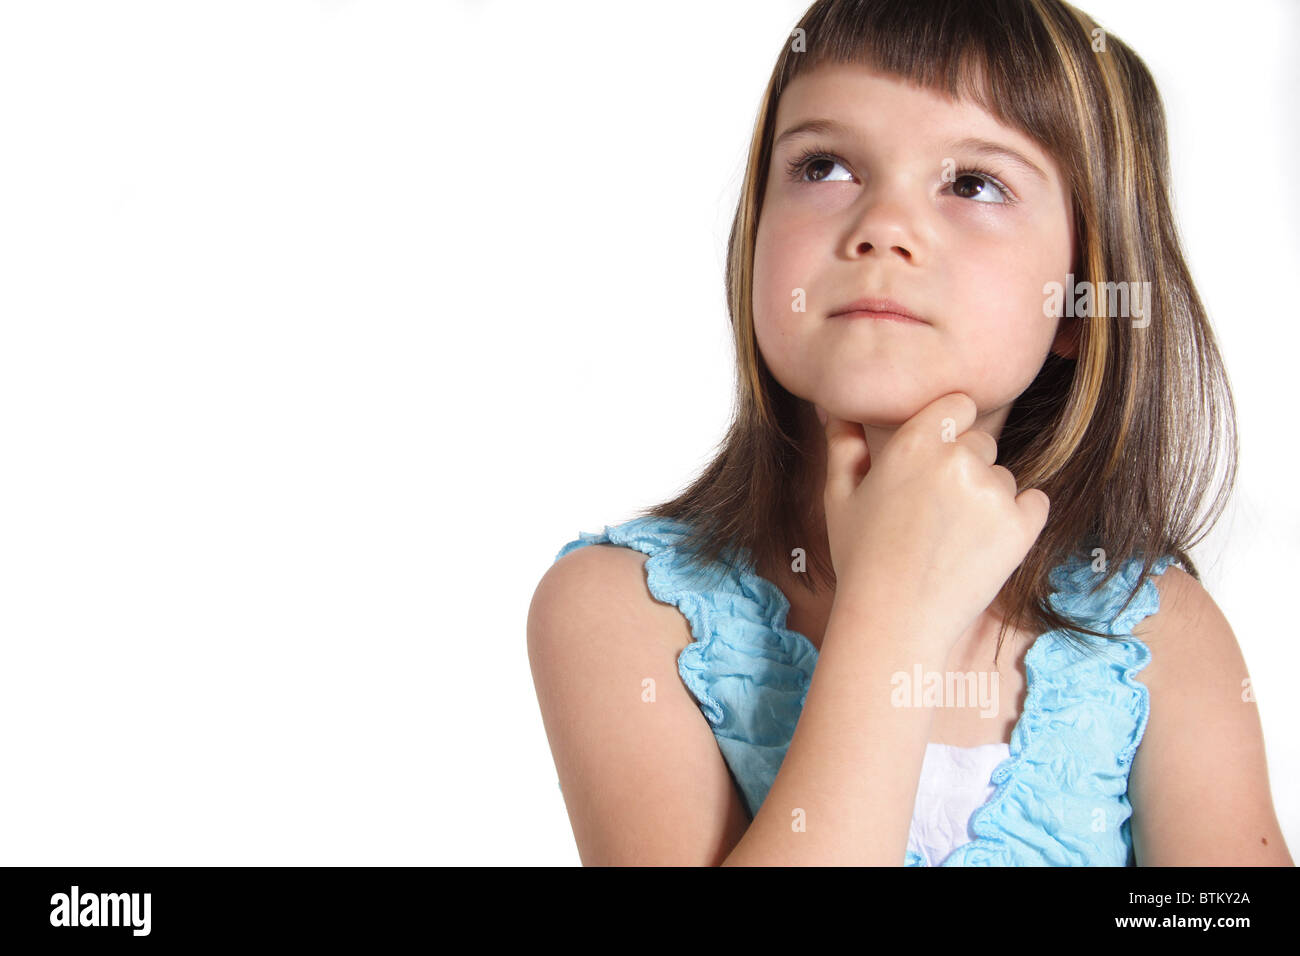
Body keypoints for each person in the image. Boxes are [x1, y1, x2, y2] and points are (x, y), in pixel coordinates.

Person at [527, 0, 1293, 866]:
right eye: (824, 166)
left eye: (973, 184)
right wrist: (891, 613)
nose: (883, 228)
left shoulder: (1154, 638)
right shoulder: (624, 611)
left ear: (1082, 299)